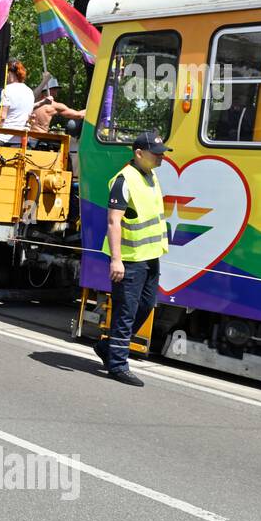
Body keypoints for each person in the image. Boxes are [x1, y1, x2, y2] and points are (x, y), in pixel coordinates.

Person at [94, 132, 171, 387]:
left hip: (150, 256)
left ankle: (109, 348)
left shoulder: (151, 176)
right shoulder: (123, 180)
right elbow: (113, 221)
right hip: (129, 258)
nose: (161, 157)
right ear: (139, 153)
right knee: (125, 311)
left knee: (146, 305)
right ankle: (117, 364)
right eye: (156, 153)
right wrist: (116, 260)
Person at [0, 60, 36, 145]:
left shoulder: (7, 90)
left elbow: (2, 117)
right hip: (22, 142)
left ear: (9, 73)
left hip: (5, 140)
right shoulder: (30, 92)